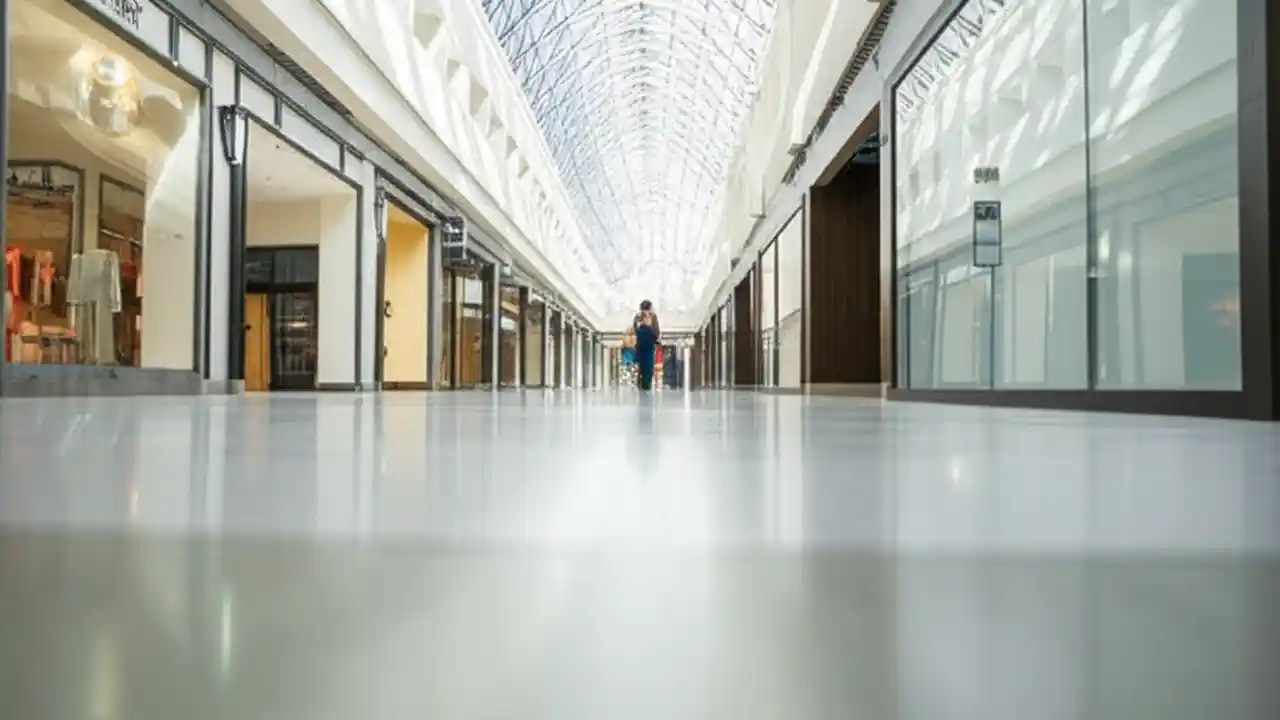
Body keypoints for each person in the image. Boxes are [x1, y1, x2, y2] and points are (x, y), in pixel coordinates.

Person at [634, 311, 659, 391]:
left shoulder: (639, 330)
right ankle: (645, 391)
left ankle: (641, 389)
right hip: (648, 358)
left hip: (641, 358)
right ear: (644, 319)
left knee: (641, 375)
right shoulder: (649, 331)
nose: (649, 320)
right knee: (647, 377)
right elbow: (657, 339)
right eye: (648, 318)